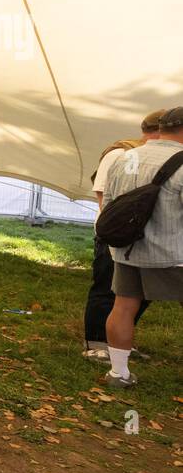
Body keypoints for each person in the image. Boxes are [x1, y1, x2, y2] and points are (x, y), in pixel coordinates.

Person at [101, 105, 183, 388]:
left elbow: (109, 203)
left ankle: (118, 373)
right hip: (174, 253)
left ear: (161, 128)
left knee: (123, 307)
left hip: (128, 249)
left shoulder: (126, 157)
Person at [82, 109, 162, 360]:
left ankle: (117, 343)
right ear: (158, 132)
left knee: (139, 292)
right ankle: (96, 344)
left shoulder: (161, 157)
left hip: (144, 236)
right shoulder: (121, 152)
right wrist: (118, 230)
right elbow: (103, 196)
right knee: (107, 288)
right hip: (116, 234)